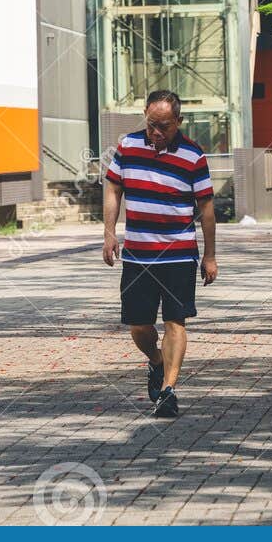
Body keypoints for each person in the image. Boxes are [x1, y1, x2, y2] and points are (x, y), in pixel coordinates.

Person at [103, 88, 217, 419]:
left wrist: (209, 256)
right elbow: (113, 188)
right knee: (138, 325)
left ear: (178, 122)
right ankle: (156, 361)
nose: (156, 132)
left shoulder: (193, 155)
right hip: (138, 254)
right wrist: (110, 233)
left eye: (164, 126)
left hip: (179, 255)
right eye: (151, 124)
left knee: (175, 321)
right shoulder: (128, 146)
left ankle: (168, 390)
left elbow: (206, 209)